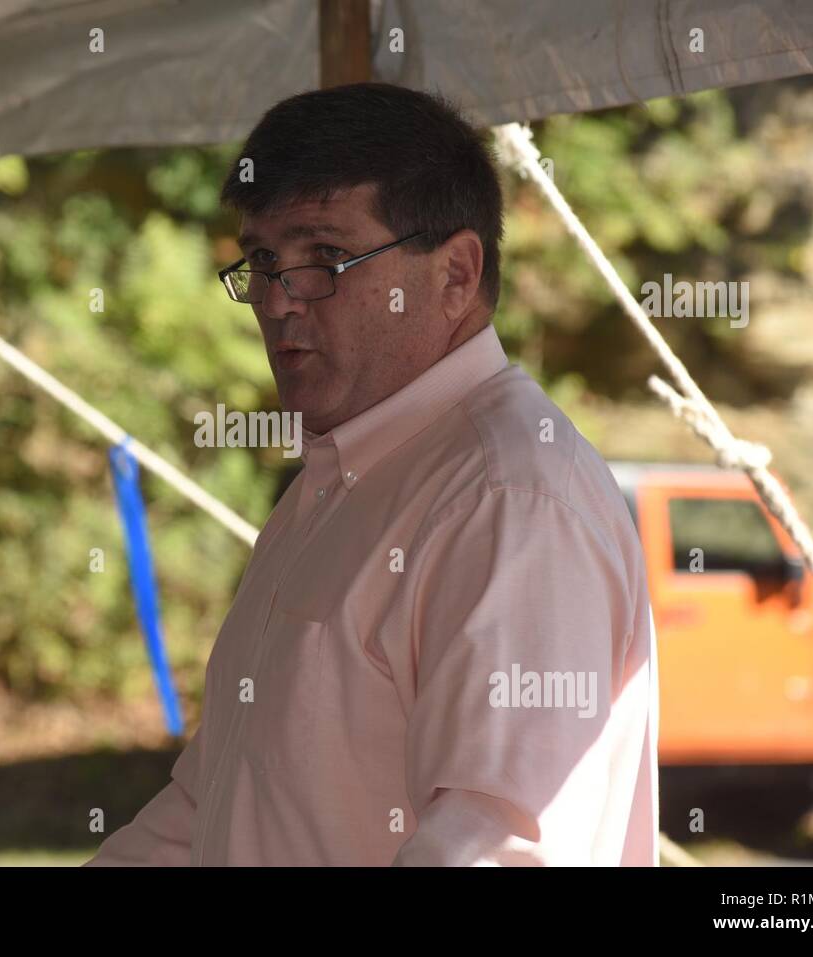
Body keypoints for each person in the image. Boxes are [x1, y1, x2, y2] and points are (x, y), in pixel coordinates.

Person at [85, 82, 658, 866]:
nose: (278, 302)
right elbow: (214, 801)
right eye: (263, 260)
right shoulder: (340, 479)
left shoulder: (510, 499)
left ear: (456, 274)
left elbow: (495, 847)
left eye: (326, 257)